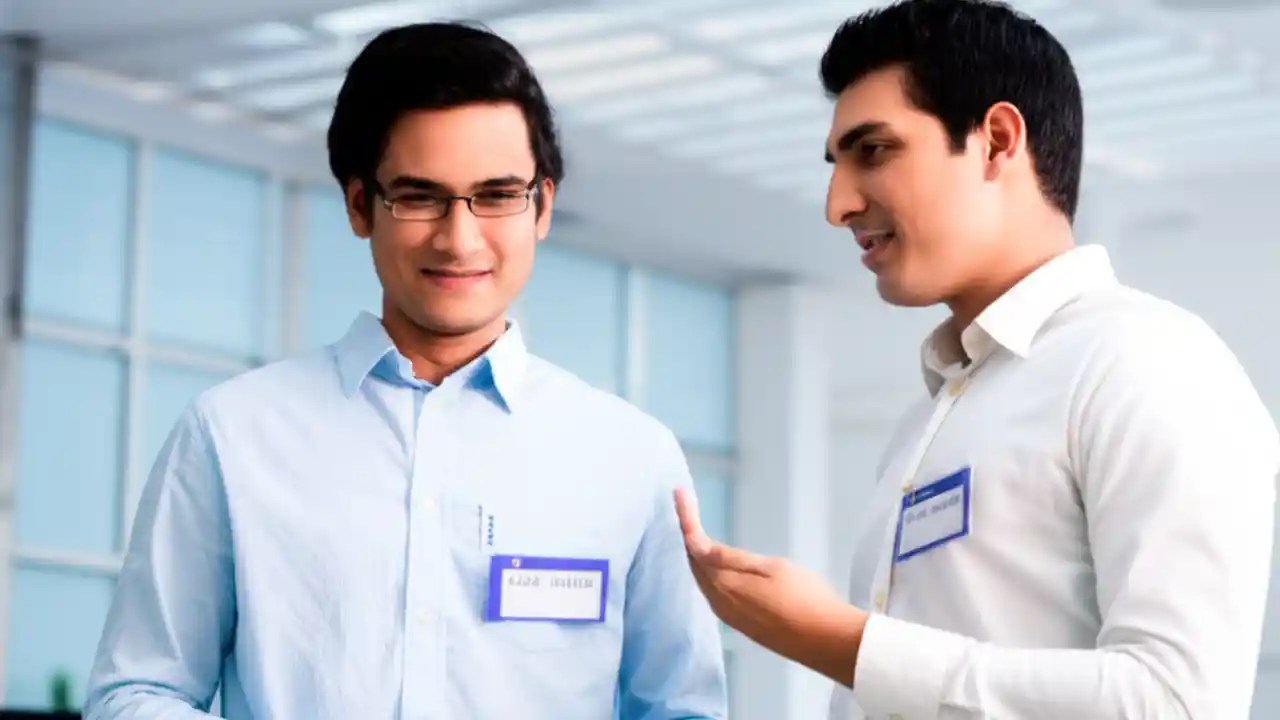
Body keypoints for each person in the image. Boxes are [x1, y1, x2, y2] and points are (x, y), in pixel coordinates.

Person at [84, 22, 726, 720]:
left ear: (542, 205)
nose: (459, 238)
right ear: (361, 205)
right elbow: (139, 691)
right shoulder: (233, 435)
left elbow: (680, 709)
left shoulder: (630, 457)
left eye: (497, 194)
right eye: (419, 197)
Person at [674, 1, 1279, 718]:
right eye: (836, 164)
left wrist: (843, 642)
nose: (837, 204)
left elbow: (1179, 703)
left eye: (873, 151)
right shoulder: (926, 424)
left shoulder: (1149, 362)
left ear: (995, 140)